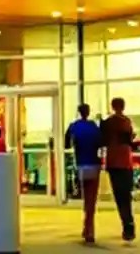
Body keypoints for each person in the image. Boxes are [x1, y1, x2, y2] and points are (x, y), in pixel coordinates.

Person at [64, 103, 103, 243]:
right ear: (88, 111)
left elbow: (66, 143)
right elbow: (101, 142)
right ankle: (89, 230)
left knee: (86, 197)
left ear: (79, 112)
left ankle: (86, 228)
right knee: (91, 200)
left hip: (81, 164)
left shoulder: (74, 126)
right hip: (94, 164)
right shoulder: (94, 127)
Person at [99, 97, 136, 241]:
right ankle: (129, 224)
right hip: (126, 162)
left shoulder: (108, 123)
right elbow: (129, 140)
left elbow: (103, 140)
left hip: (114, 162)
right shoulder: (127, 122)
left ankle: (126, 224)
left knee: (119, 196)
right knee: (126, 195)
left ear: (113, 106)